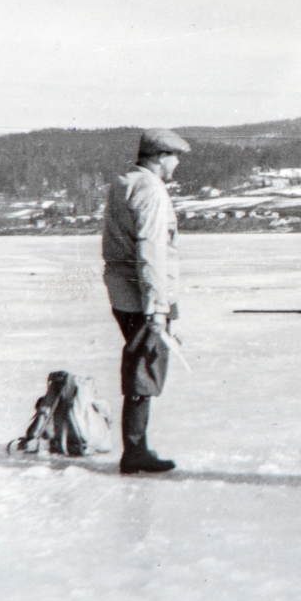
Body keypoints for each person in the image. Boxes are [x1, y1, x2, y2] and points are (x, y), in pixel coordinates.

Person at [102, 128, 192, 474]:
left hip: (125, 292)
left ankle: (135, 449)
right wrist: (158, 307)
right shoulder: (152, 191)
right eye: (174, 157)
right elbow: (152, 252)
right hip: (143, 297)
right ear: (159, 157)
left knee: (141, 369)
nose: (177, 164)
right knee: (143, 371)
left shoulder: (125, 182)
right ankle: (135, 452)